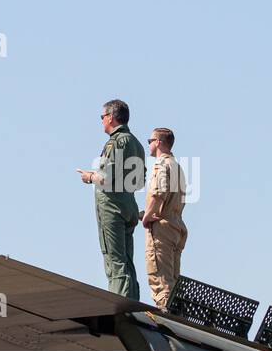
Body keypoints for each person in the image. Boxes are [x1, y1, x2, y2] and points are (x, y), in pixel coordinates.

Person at [76, 98, 145, 300]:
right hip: (129, 206)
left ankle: (119, 306)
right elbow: (139, 183)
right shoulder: (137, 144)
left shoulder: (115, 143)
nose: (102, 121)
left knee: (114, 261)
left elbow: (105, 178)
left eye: (103, 116)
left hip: (112, 208)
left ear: (111, 117)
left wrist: (89, 177)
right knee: (127, 261)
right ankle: (132, 302)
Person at [141, 127, 188, 310]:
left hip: (161, 228)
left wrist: (147, 216)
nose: (149, 144)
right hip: (176, 226)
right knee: (173, 279)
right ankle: (176, 314)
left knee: (160, 279)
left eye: (150, 140)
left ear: (158, 142)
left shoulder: (162, 165)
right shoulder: (177, 167)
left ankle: (167, 318)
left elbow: (158, 194)